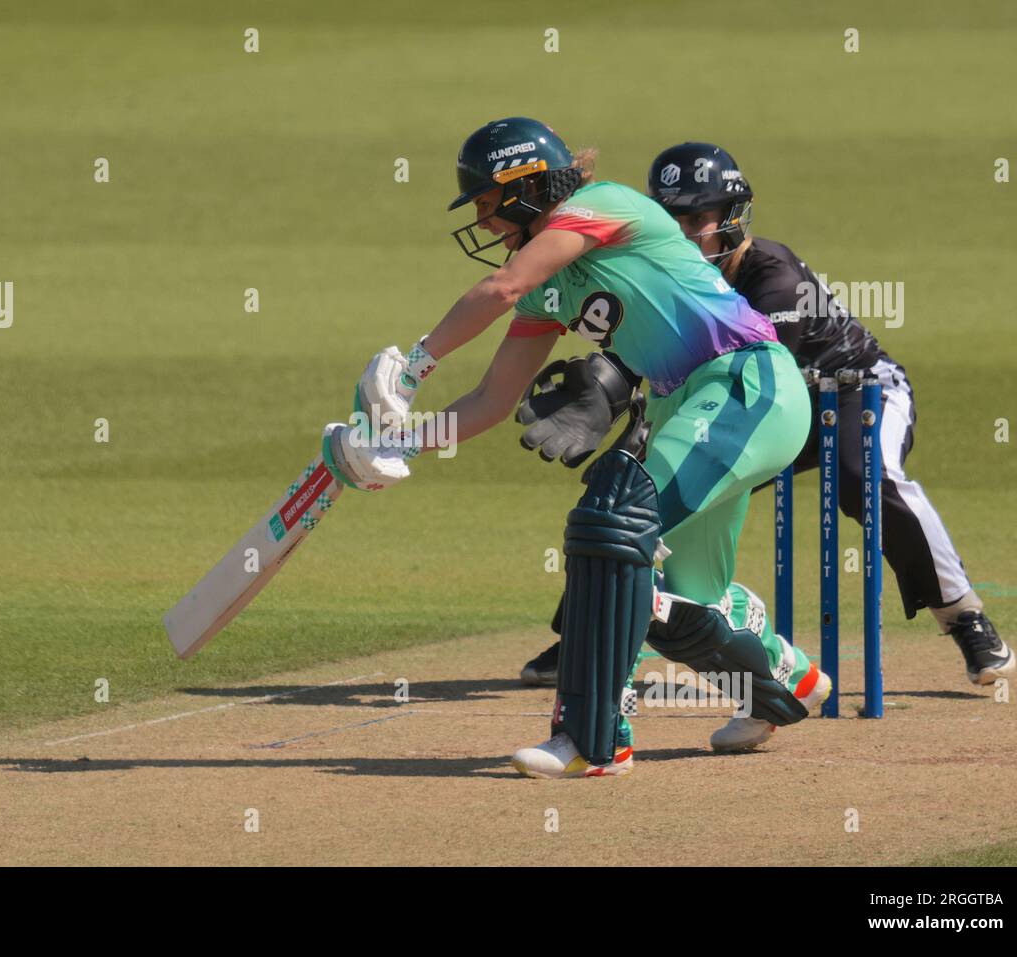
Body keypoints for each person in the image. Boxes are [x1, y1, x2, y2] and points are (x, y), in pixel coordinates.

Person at [326, 118, 828, 779]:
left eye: (485, 205)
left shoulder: (602, 206)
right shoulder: (548, 286)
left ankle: (593, 737)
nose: (483, 225)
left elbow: (498, 289)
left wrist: (412, 366)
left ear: (526, 188)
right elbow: (491, 401)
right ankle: (785, 680)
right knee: (684, 602)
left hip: (746, 383)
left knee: (612, 526)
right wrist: (402, 442)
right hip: (693, 403)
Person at [518, 142, 1016, 691]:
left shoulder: (772, 275)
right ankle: (599, 631)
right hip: (758, 407)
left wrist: (635, 401)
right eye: (671, 216)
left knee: (863, 476)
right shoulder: (662, 266)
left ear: (732, 217)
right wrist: (606, 389)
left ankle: (964, 616)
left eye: (696, 217)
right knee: (649, 493)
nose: (683, 231)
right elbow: (651, 338)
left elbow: (723, 361)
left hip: (851, 392)